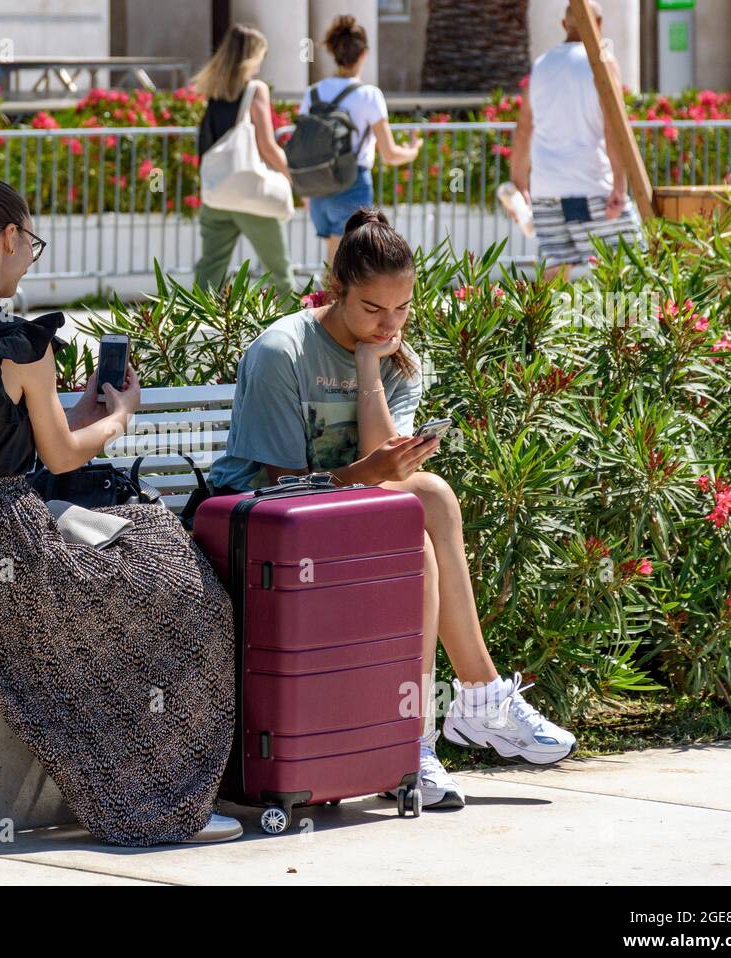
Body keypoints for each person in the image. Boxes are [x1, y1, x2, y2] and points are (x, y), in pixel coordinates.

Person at [0, 173, 243, 846]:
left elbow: (1, 440)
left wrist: (80, 410)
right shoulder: (19, 341)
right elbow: (64, 458)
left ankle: (136, 782)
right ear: (8, 238)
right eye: (30, 242)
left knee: (131, 586)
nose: (29, 257)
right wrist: (119, 416)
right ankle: (158, 800)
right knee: (191, 593)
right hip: (9, 544)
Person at [204, 208, 578, 809]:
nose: (389, 323)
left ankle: (445, 720)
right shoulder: (282, 352)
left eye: (402, 308)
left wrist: (369, 367)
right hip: (260, 526)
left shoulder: (394, 358)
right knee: (423, 511)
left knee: (428, 502)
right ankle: (435, 728)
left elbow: (385, 459)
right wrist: (368, 473)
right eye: (373, 310)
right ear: (335, 291)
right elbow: (280, 489)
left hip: (343, 513)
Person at [511, 0, 645, 280]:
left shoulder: (542, 64)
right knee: (629, 266)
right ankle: (624, 323)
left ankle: (539, 325)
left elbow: (524, 128)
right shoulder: (602, 61)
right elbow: (613, 128)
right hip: (588, 185)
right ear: (598, 25)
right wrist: (619, 186)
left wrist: (519, 185)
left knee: (555, 268)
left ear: (563, 25)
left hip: (546, 189)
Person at [298, 14, 421, 268]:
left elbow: (302, 143)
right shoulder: (369, 95)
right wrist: (412, 150)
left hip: (319, 187)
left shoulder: (313, 93)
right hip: (353, 184)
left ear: (333, 51)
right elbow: (390, 154)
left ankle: (327, 305)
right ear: (364, 54)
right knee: (356, 265)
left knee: (333, 259)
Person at [191, 23, 298, 296]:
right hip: (249, 194)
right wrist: (294, 177)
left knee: (209, 272)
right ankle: (297, 336)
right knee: (279, 272)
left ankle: (190, 334)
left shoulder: (213, 90)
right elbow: (267, 145)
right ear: (252, 55)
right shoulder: (255, 89)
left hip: (216, 195)